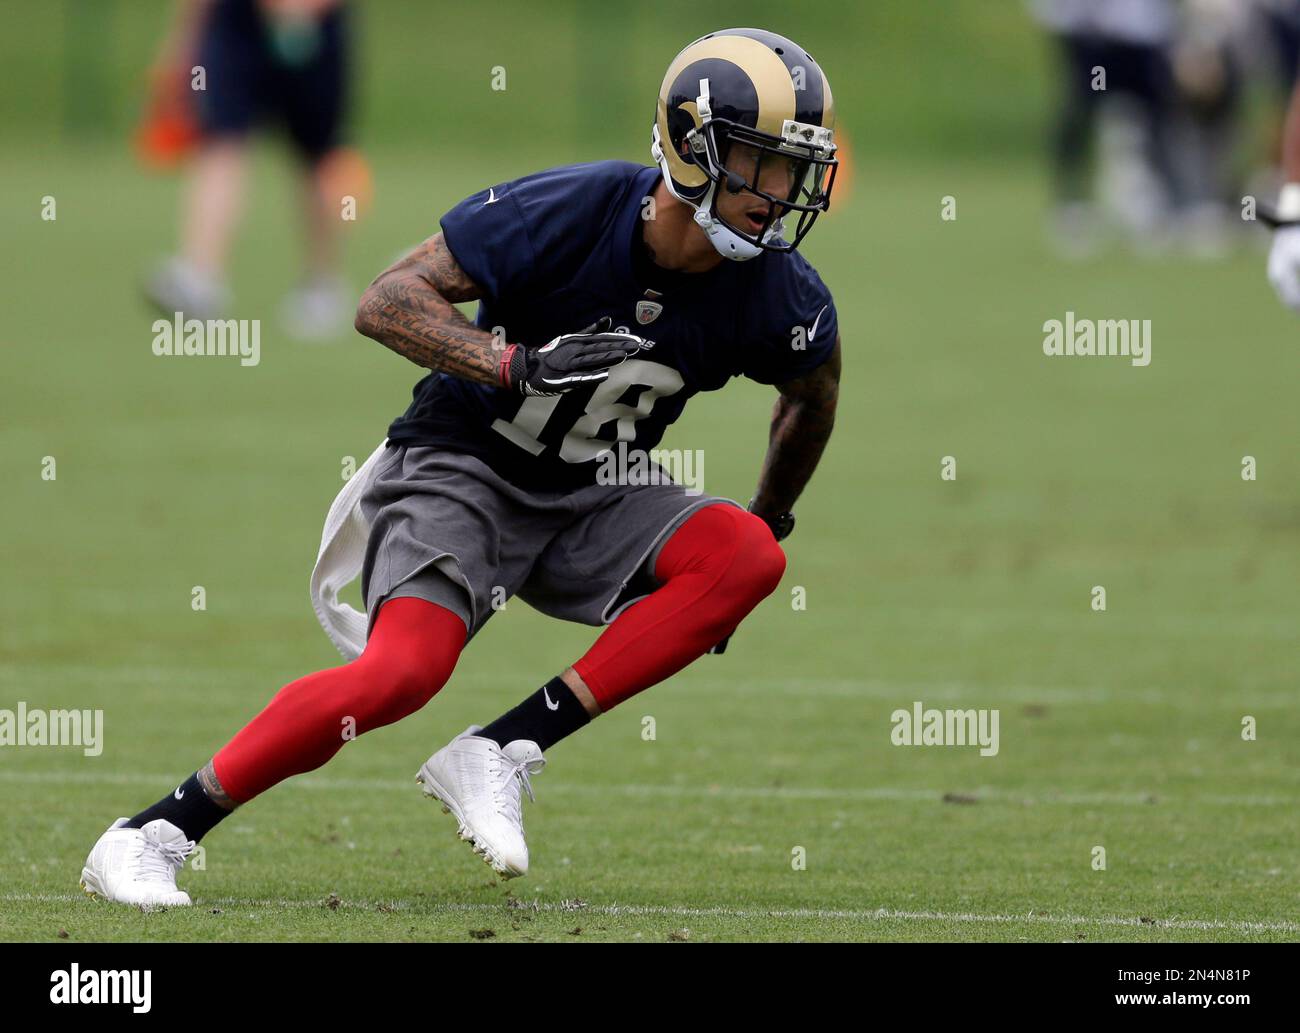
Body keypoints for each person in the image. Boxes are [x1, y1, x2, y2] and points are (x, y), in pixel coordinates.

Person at [82, 27, 842, 905]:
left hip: (598, 484)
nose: (783, 190)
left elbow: (812, 394)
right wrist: (513, 364)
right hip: (462, 466)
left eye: (795, 165)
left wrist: (769, 513)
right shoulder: (578, 207)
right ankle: (153, 831)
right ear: (691, 145)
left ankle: (500, 750)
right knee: (399, 675)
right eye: (764, 160)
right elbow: (385, 299)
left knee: (748, 554)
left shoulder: (778, 289)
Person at [143, 0, 353, 339]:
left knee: (317, 154)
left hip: (314, 22)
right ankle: (200, 277)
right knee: (220, 140)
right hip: (236, 22)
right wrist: (183, 45)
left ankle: (322, 285)